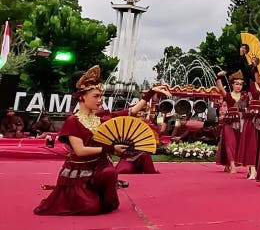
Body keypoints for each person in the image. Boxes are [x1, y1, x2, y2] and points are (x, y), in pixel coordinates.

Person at [34, 66, 170, 215]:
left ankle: (102, 199)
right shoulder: (73, 121)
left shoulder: (100, 117)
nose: (100, 100)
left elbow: (132, 111)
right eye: (96, 96)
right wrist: (111, 149)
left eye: (101, 96)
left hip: (100, 166)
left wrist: (151, 92)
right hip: (80, 170)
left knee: (110, 174)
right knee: (90, 208)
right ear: (82, 97)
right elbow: (80, 151)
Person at [215, 71, 246, 174]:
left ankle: (228, 164)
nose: (238, 86)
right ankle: (232, 165)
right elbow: (220, 88)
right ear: (232, 84)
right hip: (229, 122)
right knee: (230, 143)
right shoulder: (228, 95)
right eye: (236, 84)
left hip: (241, 123)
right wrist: (218, 76)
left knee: (237, 144)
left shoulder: (245, 96)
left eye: (240, 84)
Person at [116, 110, 159, 174]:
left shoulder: (150, 129)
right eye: (138, 116)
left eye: (143, 116)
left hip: (143, 155)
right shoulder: (125, 128)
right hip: (127, 156)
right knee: (123, 171)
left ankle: (139, 166)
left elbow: (154, 144)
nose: (140, 118)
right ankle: (135, 168)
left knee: (149, 168)